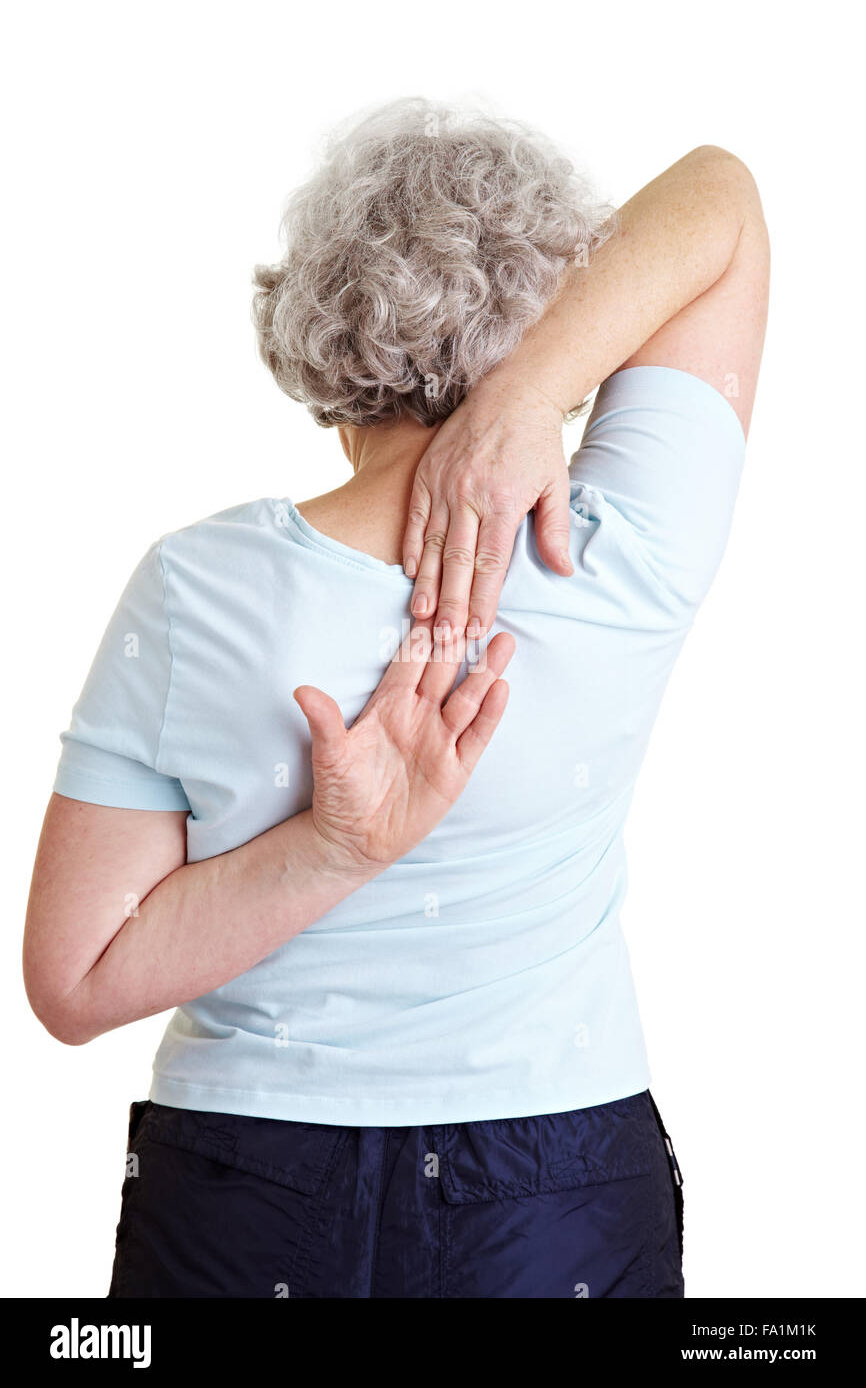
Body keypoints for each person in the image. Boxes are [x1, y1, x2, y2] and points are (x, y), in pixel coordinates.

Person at [23, 99, 769, 1299]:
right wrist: (529, 396)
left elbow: (75, 981)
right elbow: (719, 200)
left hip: (244, 1184)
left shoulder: (195, 586)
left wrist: (329, 854)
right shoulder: (621, 548)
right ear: (565, 310)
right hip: (556, 1182)